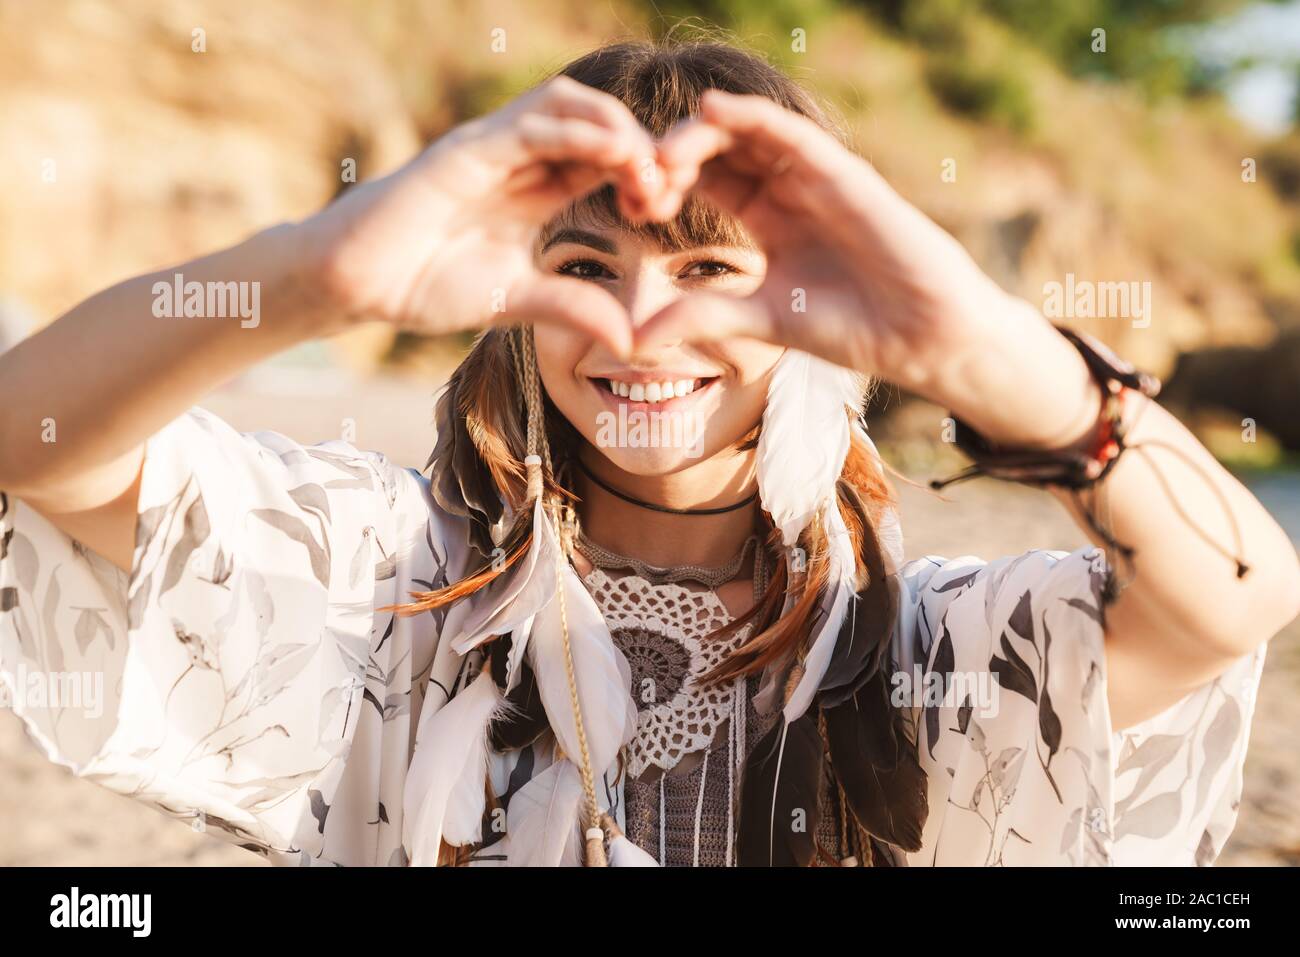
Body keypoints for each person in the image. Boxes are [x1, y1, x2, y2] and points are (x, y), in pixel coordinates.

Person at [1, 39, 1296, 867]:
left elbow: (1240, 597)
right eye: (584, 265)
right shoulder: (388, 583)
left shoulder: (924, 648)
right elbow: (34, 443)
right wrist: (315, 273)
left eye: (711, 269)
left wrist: (978, 349)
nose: (642, 324)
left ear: (811, 314)